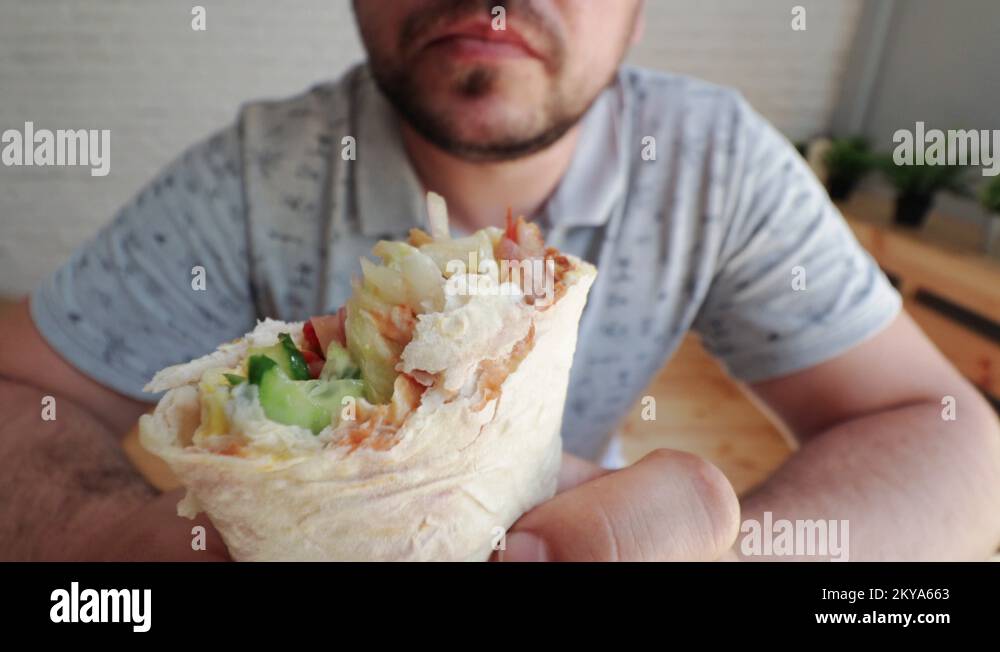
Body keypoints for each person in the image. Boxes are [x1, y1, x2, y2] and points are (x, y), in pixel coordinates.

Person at [2, 0, 998, 562]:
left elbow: (945, 435)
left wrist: (738, 559)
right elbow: (19, 388)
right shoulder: (254, 174)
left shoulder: (713, 164)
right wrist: (131, 552)